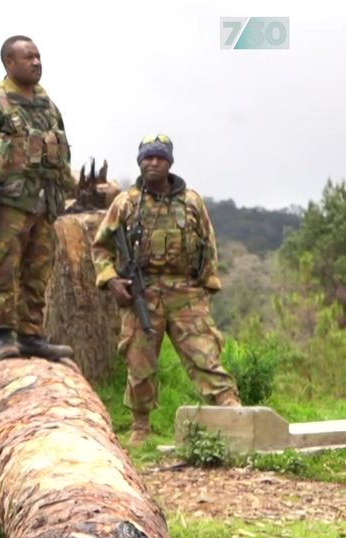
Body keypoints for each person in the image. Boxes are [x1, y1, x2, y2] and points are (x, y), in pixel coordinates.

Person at [91, 134, 241, 446]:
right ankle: (141, 426)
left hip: (185, 291)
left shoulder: (191, 201)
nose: (154, 163)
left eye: (160, 158)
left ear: (169, 162)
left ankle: (232, 411)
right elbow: (101, 247)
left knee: (205, 353)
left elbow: (208, 244)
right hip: (142, 291)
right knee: (139, 360)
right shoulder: (126, 203)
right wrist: (111, 280)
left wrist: (207, 286)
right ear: (140, 162)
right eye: (148, 158)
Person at [0, 35, 76, 361]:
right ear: (9, 63)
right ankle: (2, 336)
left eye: (39, 56)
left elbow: (62, 154)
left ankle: (31, 335)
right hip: (8, 204)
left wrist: (69, 194)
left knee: (37, 271)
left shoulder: (48, 107)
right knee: (1, 269)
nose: (36, 62)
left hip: (45, 204)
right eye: (28, 57)